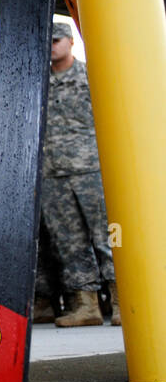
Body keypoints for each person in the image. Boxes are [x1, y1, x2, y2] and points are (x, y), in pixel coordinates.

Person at [37, 21, 117, 327]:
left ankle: (123, 301)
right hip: (53, 175)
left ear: (71, 42)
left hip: (91, 171)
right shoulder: (39, 81)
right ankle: (87, 306)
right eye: (48, 40)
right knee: (69, 243)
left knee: (107, 238)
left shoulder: (92, 76)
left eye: (56, 39)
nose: (52, 45)